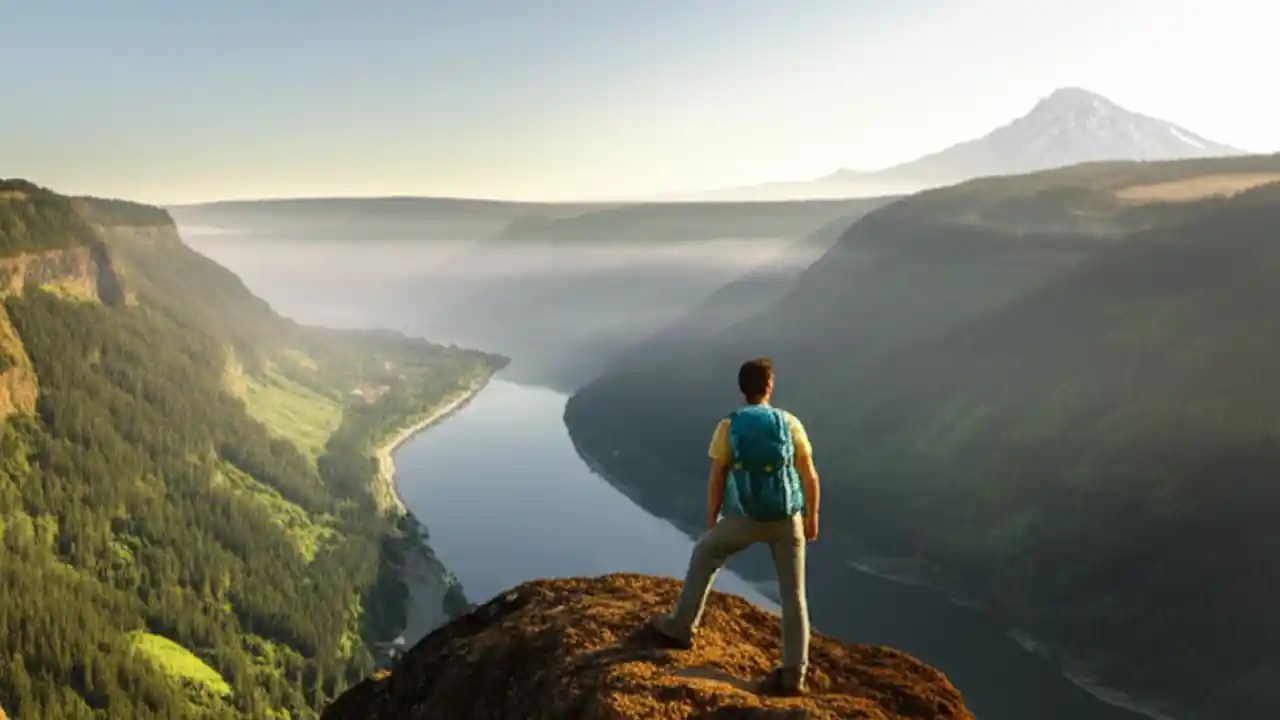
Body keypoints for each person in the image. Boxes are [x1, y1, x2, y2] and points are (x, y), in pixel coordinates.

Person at [649, 357, 820, 696]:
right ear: (769, 386)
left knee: (705, 554)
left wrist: (713, 520)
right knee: (793, 596)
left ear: (742, 389)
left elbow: (717, 476)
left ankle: (682, 626)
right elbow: (808, 473)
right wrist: (811, 516)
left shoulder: (729, 426)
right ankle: (793, 675)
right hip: (787, 518)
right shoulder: (790, 423)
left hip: (744, 517)